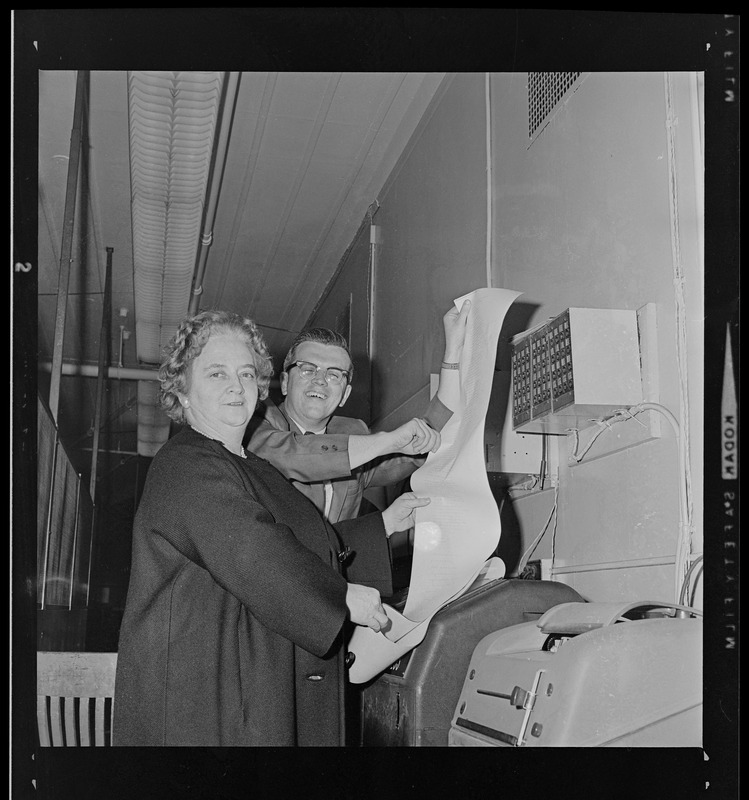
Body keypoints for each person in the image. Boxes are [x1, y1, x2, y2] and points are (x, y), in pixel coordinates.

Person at [113, 310, 433, 747]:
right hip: (203, 698)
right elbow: (253, 550)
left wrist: (385, 525)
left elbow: (306, 542)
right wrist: (338, 596)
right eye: (216, 373)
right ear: (183, 391)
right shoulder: (184, 462)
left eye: (246, 373)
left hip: (247, 681)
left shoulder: (254, 468)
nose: (235, 385)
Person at [245, 301, 470, 523]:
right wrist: (387, 441)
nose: (320, 381)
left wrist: (453, 352)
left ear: (344, 394)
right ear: (284, 382)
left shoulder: (355, 434)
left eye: (334, 375)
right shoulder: (256, 422)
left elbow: (423, 441)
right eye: (307, 369)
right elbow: (290, 455)